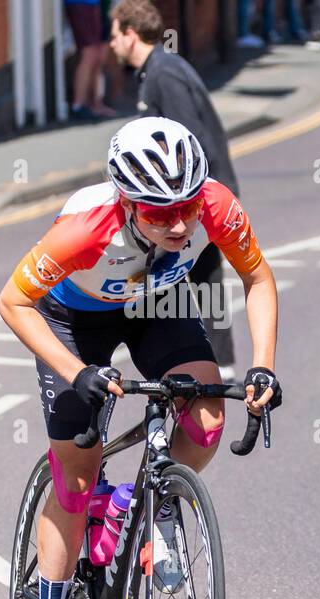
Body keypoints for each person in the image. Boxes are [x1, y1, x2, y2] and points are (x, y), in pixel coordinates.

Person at [0, 117, 282, 599]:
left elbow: (257, 277)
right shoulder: (87, 228)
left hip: (157, 306)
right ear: (126, 202)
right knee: (76, 476)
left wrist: (262, 366)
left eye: (185, 207)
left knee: (204, 418)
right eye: (159, 213)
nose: (180, 224)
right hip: (73, 320)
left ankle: (163, 504)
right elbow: (13, 301)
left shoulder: (214, 206)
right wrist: (77, 372)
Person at [110, 0, 242, 378]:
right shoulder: (162, 67)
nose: (112, 44)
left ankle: (215, 367)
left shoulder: (163, 74)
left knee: (192, 278)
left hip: (195, 199)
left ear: (131, 34)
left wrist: (186, 203)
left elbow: (191, 139)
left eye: (115, 35)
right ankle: (220, 365)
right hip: (193, 198)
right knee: (201, 277)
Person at [65, 0, 117, 119]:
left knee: (98, 54)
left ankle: (94, 104)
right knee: (90, 52)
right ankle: (78, 104)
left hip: (94, 5)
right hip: (81, 4)